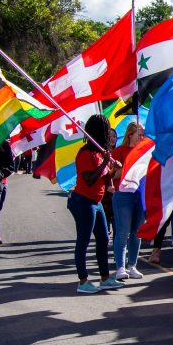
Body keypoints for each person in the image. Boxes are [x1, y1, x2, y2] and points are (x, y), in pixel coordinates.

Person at [66, 115, 124, 293]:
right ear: (99, 132)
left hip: (96, 202)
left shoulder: (100, 153)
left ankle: (105, 278)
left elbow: (105, 177)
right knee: (83, 240)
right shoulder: (85, 153)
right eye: (106, 131)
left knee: (103, 239)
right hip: (83, 200)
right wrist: (106, 163)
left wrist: (114, 169)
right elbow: (89, 179)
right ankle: (83, 282)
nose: (109, 135)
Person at [110, 122, 146, 280]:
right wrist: (128, 166)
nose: (142, 136)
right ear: (130, 134)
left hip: (140, 194)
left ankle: (132, 265)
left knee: (137, 233)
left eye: (143, 134)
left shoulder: (145, 152)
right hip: (123, 194)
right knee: (123, 232)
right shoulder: (119, 151)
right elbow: (113, 175)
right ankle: (120, 267)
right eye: (139, 133)